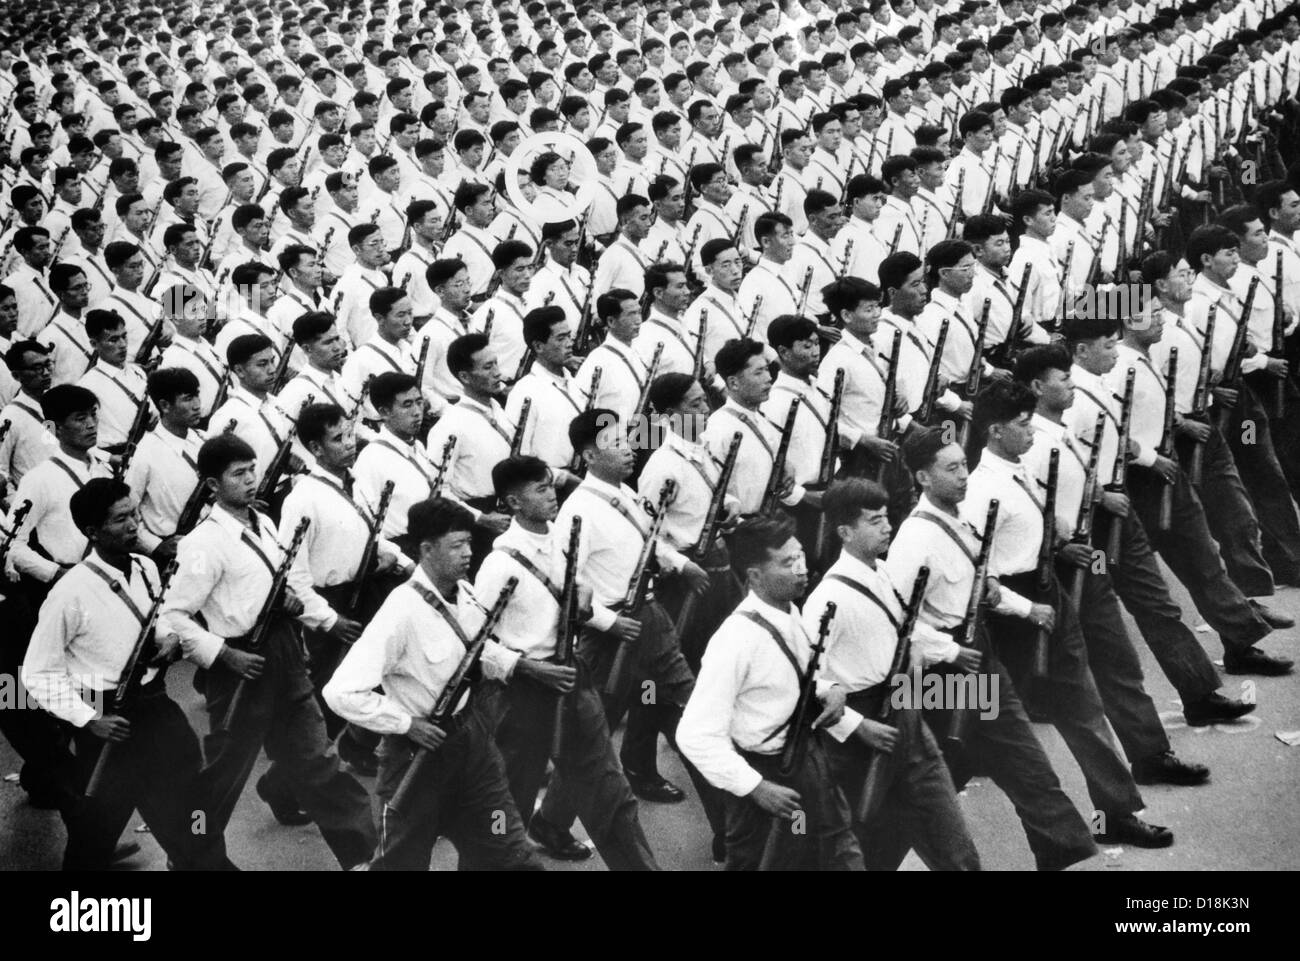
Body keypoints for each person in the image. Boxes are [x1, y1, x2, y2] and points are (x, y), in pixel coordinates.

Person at [966, 380, 1173, 848]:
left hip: (1047, 592)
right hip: (1011, 614)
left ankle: (1117, 812)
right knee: (988, 725)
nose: (1032, 433)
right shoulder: (981, 489)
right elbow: (981, 576)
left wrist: (1057, 539)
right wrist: (1027, 610)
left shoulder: (1019, 471)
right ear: (996, 431)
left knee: (1082, 706)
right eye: (1022, 426)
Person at [159, 433, 376, 868]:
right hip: (240, 663)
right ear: (212, 486)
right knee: (224, 774)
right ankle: (189, 856)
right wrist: (222, 655)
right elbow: (175, 614)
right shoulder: (201, 544)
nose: (251, 480)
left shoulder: (264, 523)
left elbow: (281, 581)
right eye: (238, 474)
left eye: (252, 470)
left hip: (284, 654)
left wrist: (297, 608)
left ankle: (362, 857)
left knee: (318, 762)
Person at [323, 496, 544, 871]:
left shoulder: (466, 592)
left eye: (469, 543)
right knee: (403, 861)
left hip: (474, 747)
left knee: (509, 850)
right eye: (457, 545)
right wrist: (406, 724)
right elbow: (340, 692)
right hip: (418, 757)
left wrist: (521, 666)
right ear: (426, 549)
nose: (468, 553)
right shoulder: (401, 610)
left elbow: (478, 650)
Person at [22, 478, 232, 870]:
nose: (135, 525)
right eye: (121, 520)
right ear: (92, 531)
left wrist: (170, 639)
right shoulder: (70, 592)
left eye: (135, 513)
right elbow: (38, 673)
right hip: (109, 725)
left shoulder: (147, 568)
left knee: (192, 810)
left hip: (157, 709)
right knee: (93, 835)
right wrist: (90, 720)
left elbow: (161, 620)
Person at [475, 455, 660, 870]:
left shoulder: (560, 538)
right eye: (540, 489)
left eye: (550, 485)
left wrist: (592, 605)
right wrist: (525, 667)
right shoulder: (499, 564)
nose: (552, 494)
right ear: (513, 502)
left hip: (573, 678)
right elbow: (474, 644)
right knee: (507, 806)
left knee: (609, 791)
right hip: (522, 693)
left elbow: (574, 588)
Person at [804, 478, 981, 870]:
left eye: (887, 518)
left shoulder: (882, 573)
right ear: (845, 532)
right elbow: (806, 678)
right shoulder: (827, 598)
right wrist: (855, 726)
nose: (887, 527)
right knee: (861, 848)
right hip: (859, 733)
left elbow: (904, 627)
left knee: (955, 846)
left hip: (905, 711)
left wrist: (933, 654)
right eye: (874, 520)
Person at [677, 514, 863, 871]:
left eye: (801, 557)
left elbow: (787, 679)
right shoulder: (735, 640)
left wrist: (829, 690)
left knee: (839, 854)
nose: (802, 569)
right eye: (788, 563)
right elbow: (694, 735)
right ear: (754, 576)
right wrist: (755, 787)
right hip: (768, 786)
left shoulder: (791, 613)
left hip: (810, 767)